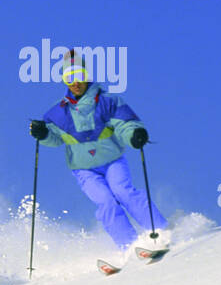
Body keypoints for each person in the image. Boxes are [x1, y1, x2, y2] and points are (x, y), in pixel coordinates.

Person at [30, 49, 166, 252]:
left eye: (80, 76)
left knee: (123, 191)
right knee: (106, 203)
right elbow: (54, 138)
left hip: (112, 162)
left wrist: (135, 134)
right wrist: (41, 133)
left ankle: (160, 231)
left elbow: (125, 124)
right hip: (85, 171)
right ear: (64, 81)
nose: (75, 82)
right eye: (69, 78)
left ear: (87, 76)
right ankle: (130, 247)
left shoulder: (107, 102)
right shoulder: (58, 112)